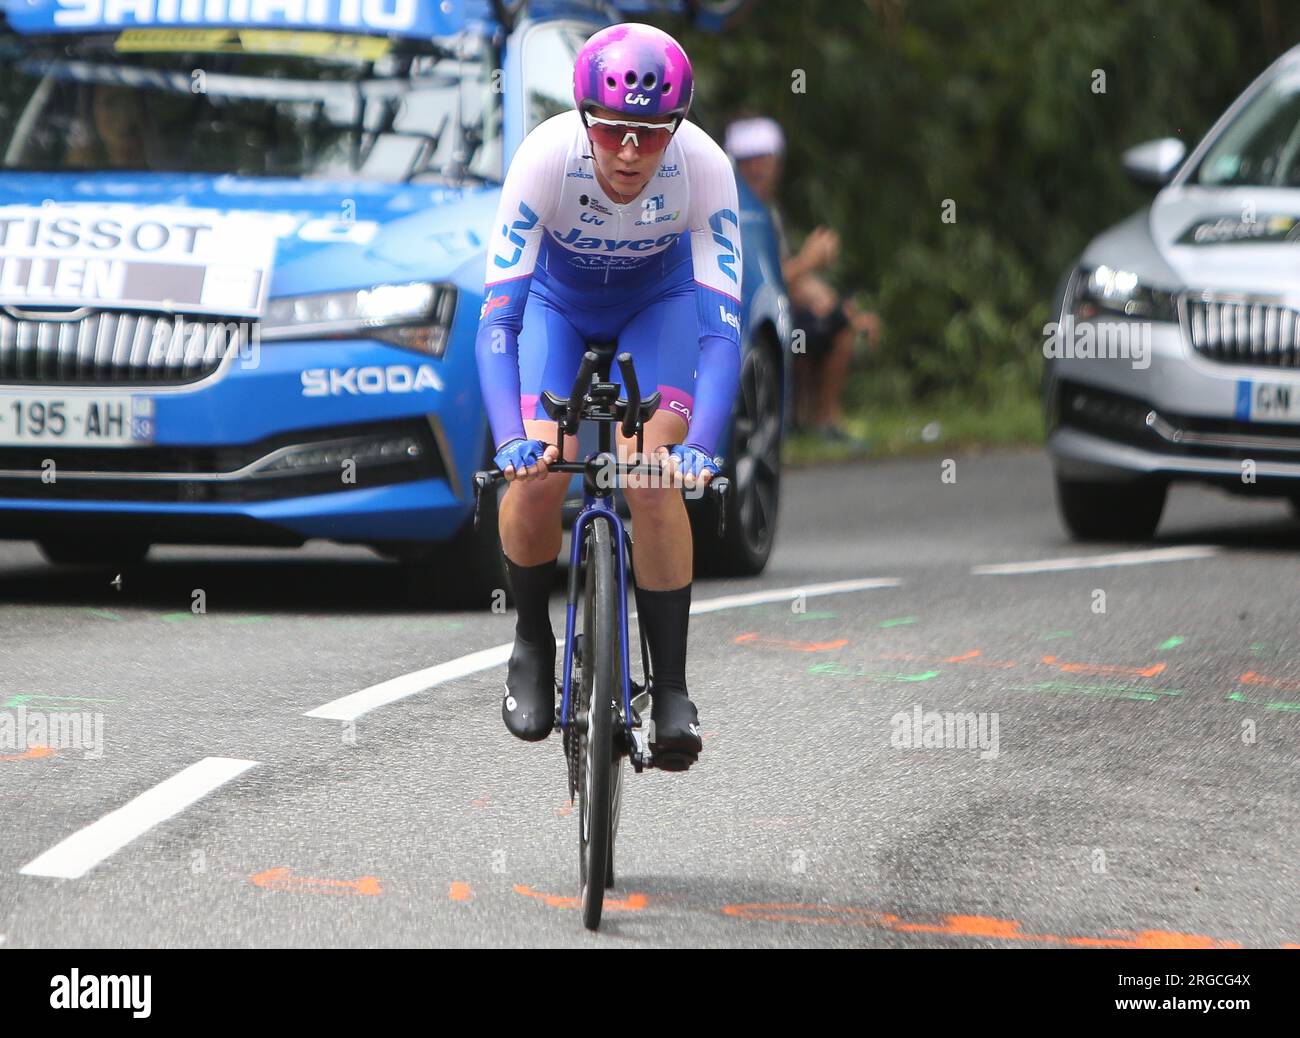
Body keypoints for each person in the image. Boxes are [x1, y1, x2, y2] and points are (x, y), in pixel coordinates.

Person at [474, 24, 743, 765]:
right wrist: (510, 442)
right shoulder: (544, 160)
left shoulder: (707, 169)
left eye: (652, 135)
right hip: (557, 313)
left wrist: (700, 451)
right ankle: (532, 640)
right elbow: (497, 324)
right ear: (587, 120)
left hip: (656, 310)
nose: (631, 151)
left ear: (676, 130)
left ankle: (675, 687)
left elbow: (722, 335)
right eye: (617, 130)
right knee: (537, 475)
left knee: (650, 478)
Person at [725, 116, 880, 442]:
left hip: (777, 311)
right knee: (807, 325)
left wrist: (835, 303)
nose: (757, 168)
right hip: (741, 317)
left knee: (838, 318)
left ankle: (822, 421)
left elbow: (785, 275)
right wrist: (808, 261)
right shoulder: (735, 208)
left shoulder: (771, 213)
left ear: (777, 163)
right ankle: (791, 420)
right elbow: (754, 282)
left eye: (764, 159)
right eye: (748, 161)